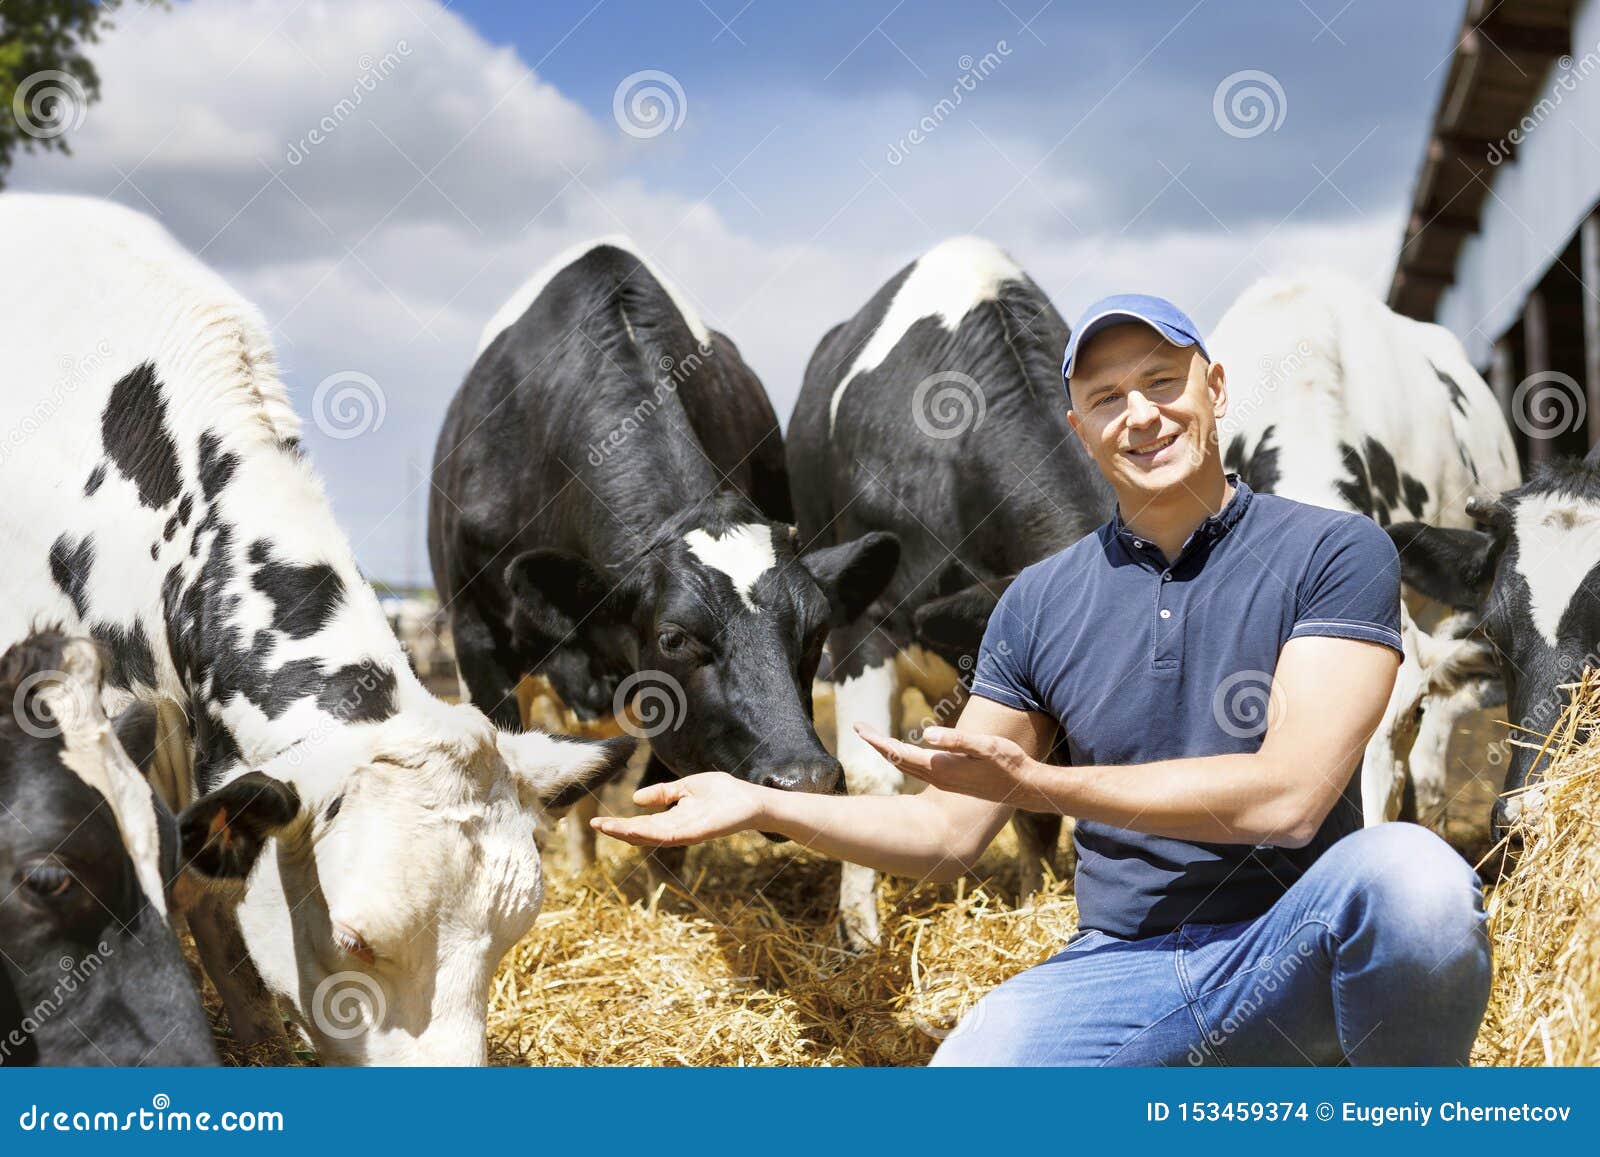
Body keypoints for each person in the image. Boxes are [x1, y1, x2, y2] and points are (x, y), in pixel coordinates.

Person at [592, 294, 1492, 1066]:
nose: (1141, 415)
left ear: (1215, 389)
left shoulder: (1334, 550)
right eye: (1106, 399)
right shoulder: (1040, 600)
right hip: (1118, 969)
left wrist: (1041, 784)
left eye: (1162, 382)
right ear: (1080, 432)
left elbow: (1288, 798)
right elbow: (946, 832)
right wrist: (765, 805)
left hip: (1293, 944)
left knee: (1414, 876)